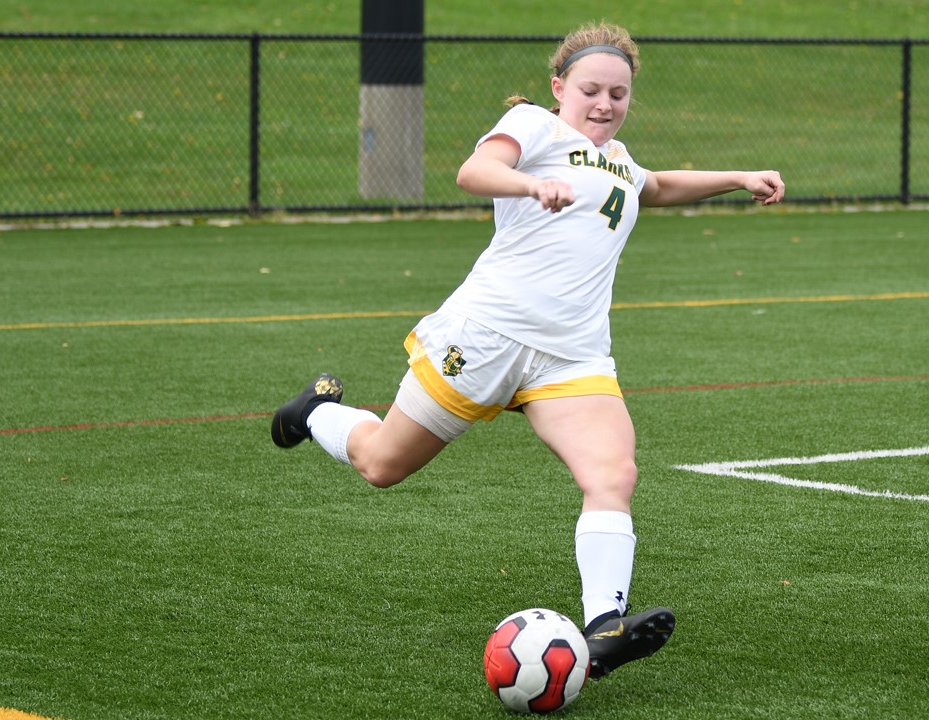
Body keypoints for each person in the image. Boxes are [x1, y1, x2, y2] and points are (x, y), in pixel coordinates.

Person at [270, 21, 784, 681]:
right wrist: (527, 185)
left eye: (618, 94)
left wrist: (738, 177)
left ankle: (603, 626)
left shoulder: (618, 159)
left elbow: (654, 186)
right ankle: (313, 412)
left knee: (612, 475)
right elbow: (474, 170)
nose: (604, 104)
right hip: (486, 337)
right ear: (559, 87)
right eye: (591, 90)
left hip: (573, 356)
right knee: (381, 464)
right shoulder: (534, 126)